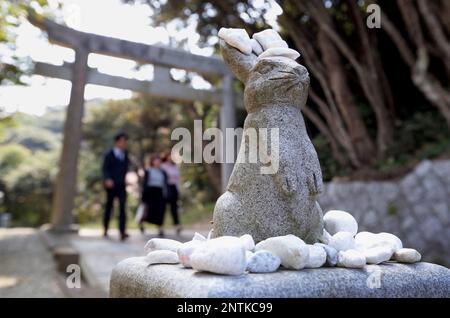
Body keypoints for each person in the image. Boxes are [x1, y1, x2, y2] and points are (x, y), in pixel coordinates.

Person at [102, 132, 130, 241]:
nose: (123, 143)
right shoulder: (109, 154)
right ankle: (105, 228)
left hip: (121, 185)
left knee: (122, 208)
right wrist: (107, 179)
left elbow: (125, 169)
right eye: (122, 141)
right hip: (111, 185)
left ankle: (122, 231)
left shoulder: (125, 154)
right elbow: (105, 168)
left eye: (125, 141)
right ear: (117, 142)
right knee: (109, 207)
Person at [140, 154, 168, 237]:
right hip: (150, 192)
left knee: (160, 211)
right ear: (152, 161)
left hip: (159, 193)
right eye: (156, 160)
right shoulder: (148, 171)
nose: (157, 162)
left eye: (159, 160)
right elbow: (145, 184)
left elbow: (164, 184)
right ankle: (142, 223)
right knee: (148, 210)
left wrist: (166, 193)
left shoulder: (163, 172)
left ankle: (160, 227)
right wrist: (144, 195)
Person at [161, 150, 182, 235]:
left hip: (173, 188)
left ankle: (177, 225)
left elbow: (177, 179)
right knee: (163, 208)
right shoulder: (163, 166)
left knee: (174, 208)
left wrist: (178, 189)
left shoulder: (175, 166)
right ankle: (161, 226)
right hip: (166, 188)